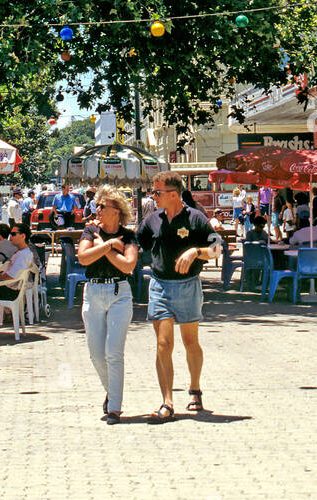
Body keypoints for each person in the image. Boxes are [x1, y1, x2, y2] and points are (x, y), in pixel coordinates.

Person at [138, 175, 217, 421]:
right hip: (160, 284)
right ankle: (167, 402)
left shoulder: (196, 218)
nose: (153, 196)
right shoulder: (151, 220)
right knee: (163, 344)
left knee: (190, 341)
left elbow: (216, 250)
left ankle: (195, 390)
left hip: (188, 285)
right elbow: (135, 244)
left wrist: (195, 252)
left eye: (157, 192)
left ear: (173, 194)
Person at [76, 187, 138, 423]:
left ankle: (115, 408)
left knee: (114, 352)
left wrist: (103, 247)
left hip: (119, 293)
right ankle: (111, 391)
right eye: (97, 205)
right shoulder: (90, 230)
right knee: (95, 353)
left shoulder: (129, 236)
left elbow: (128, 266)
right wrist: (109, 245)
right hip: (93, 292)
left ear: (117, 212)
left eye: (102, 206)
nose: (97, 209)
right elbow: (83, 258)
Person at [0, 224, 35, 304]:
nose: (11, 236)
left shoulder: (22, 255)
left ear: (23, 236)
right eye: (10, 234)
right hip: (14, 288)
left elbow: (11, 275)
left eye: (13, 234)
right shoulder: (23, 252)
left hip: (11, 291)